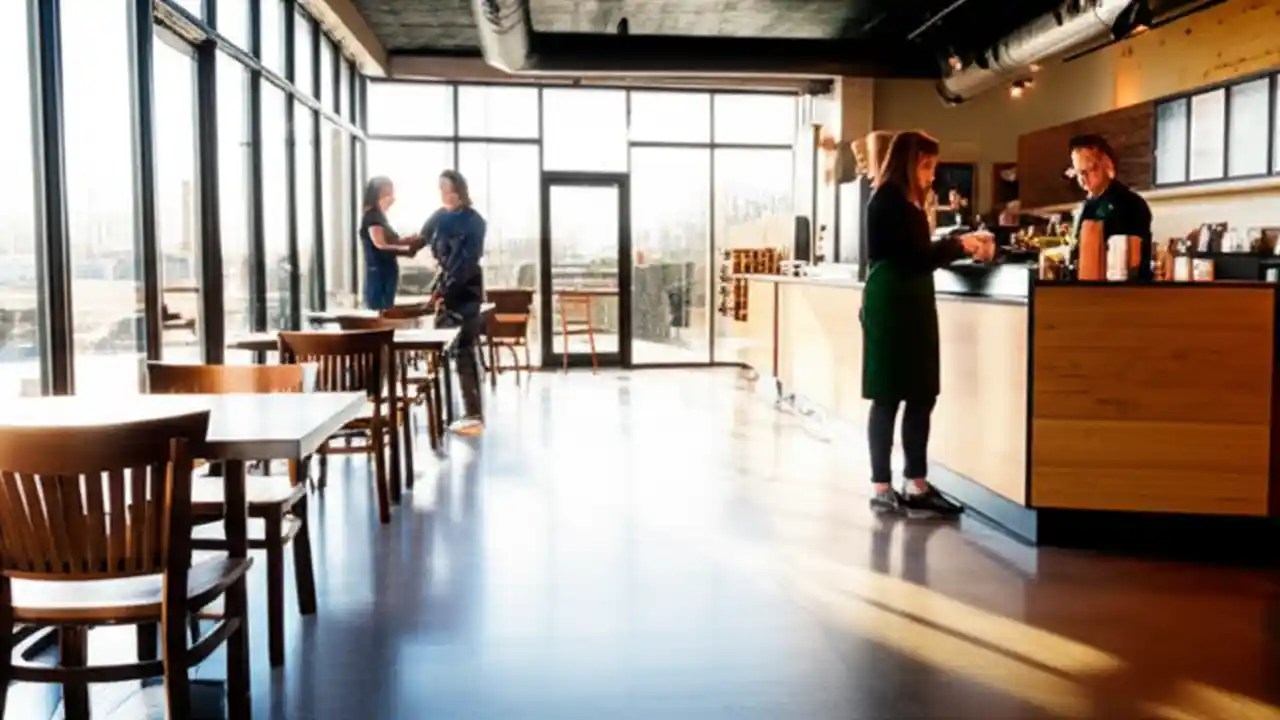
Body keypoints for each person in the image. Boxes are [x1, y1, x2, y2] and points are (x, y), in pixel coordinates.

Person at [860, 130, 991, 516]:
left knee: (920, 392)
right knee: (888, 394)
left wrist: (954, 246)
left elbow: (917, 257)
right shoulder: (888, 201)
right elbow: (914, 257)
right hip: (894, 300)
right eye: (927, 165)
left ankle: (915, 482)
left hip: (912, 300)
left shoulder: (906, 201)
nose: (933, 174)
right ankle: (883, 485)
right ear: (909, 162)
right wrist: (960, 245)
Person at [420, 170, 487, 435]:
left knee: (464, 351)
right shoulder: (438, 217)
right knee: (439, 355)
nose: (441, 193)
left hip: (465, 292)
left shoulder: (474, 221)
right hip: (445, 290)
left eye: (444, 188)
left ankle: (473, 414)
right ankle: (445, 412)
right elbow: (418, 241)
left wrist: (445, 290)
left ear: (457, 190)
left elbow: (466, 262)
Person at [1068, 134, 1153, 280]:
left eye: (1090, 170)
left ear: (1107, 164)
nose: (1083, 178)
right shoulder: (1085, 205)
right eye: (1078, 173)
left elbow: (1131, 260)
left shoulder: (1130, 203)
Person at [359, 176, 424, 310]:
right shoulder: (373, 217)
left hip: (386, 272)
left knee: (386, 308)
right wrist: (406, 250)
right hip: (379, 274)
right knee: (380, 310)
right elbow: (380, 245)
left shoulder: (381, 218)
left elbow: (390, 241)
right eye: (388, 194)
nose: (392, 198)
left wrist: (407, 241)